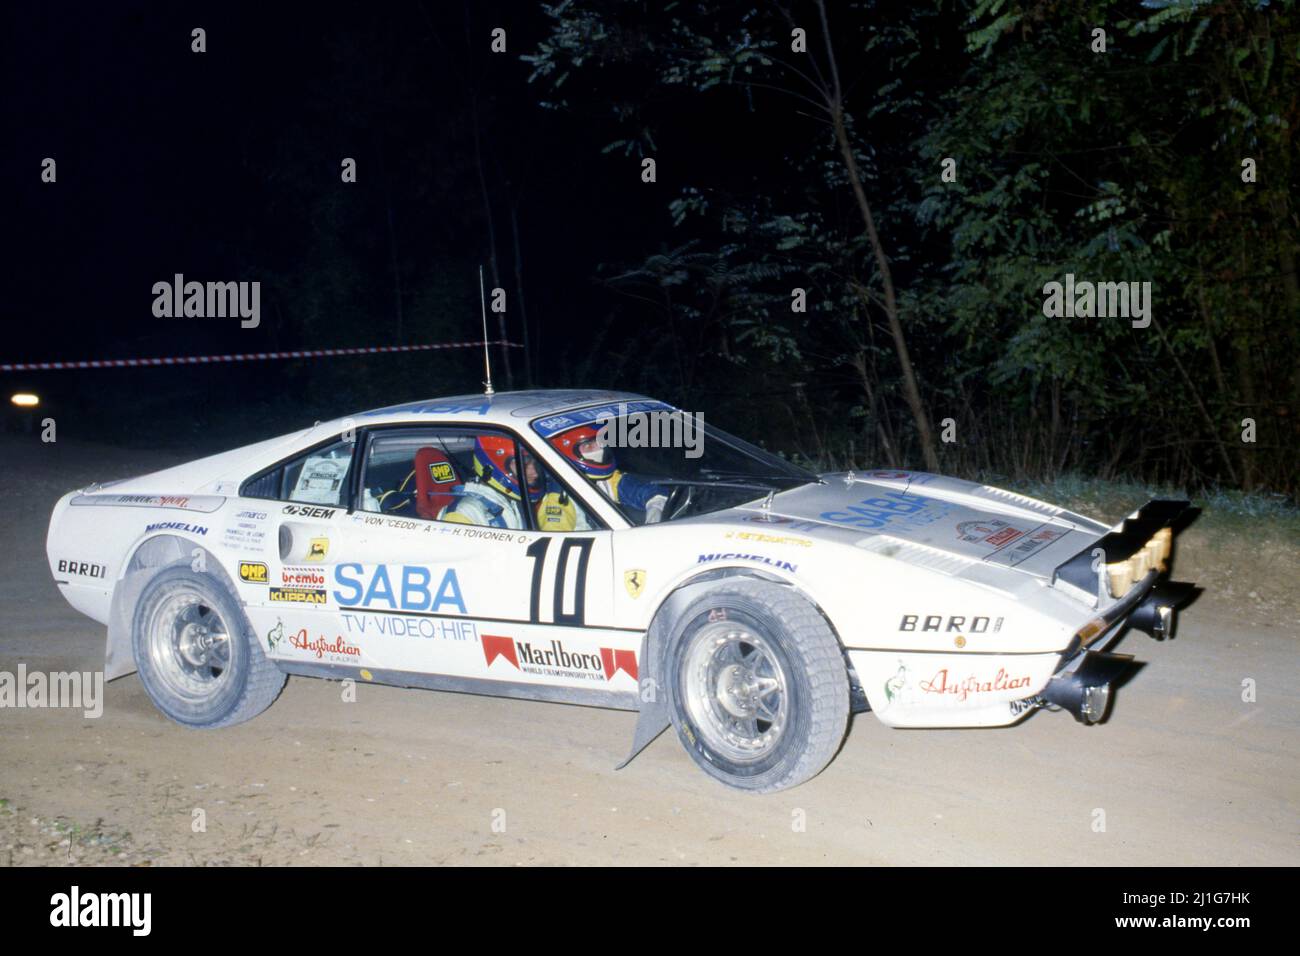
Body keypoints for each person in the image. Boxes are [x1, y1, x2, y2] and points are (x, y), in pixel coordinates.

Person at [440, 436, 594, 531]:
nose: (534, 472)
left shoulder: (510, 500)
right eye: (523, 464)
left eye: (534, 463)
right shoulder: (464, 513)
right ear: (494, 464)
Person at [549, 425, 668, 524]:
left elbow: (650, 492)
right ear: (568, 453)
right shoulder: (557, 495)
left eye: (598, 442)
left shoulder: (607, 480)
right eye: (588, 445)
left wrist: (655, 512)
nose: (599, 449)